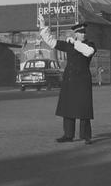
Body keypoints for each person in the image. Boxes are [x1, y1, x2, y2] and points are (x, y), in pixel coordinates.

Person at [38, 15, 97, 144]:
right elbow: (51, 41)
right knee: (68, 108)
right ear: (75, 34)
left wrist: (75, 42)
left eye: (84, 32)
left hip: (83, 81)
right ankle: (68, 135)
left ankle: (86, 136)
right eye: (80, 33)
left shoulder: (89, 44)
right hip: (70, 80)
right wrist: (43, 26)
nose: (83, 35)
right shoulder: (68, 45)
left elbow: (88, 52)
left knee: (84, 109)